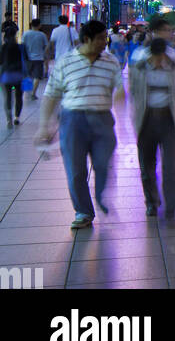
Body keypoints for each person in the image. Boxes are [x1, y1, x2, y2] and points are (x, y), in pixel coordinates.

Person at [34, 19, 124, 230]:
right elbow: (51, 95)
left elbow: (119, 88)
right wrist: (43, 126)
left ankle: (100, 196)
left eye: (105, 37)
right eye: (101, 38)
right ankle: (83, 211)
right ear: (87, 39)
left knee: (103, 165)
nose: (105, 42)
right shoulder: (66, 62)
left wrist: (123, 108)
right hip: (73, 120)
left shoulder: (110, 61)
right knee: (76, 170)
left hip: (102, 119)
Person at [129, 37, 175, 219]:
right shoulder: (139, 70)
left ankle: (171, 207)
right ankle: (151, 202)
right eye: (157, 57)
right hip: (147, 121)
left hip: (169, 121)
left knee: (170, 167)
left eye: (163, 57)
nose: (160, 61)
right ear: (150, 55)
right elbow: (134, 95)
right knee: (147, 167)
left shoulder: (173, 69)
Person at [1, 29, 25, 126]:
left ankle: (8, 119)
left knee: (8, 97)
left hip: (6, 75)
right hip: (18, 75)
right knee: (18, 96)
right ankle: (17, 117)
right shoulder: (20, 47)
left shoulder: (3, 47)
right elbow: (25, 60)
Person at [21, 19, 49, 100]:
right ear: (39, 25)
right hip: (39, 59)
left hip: (28, 58)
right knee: (37, 77)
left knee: (28, 76)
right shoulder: (42, 35)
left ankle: (26, 92)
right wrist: (45, 55)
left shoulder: (25, 34)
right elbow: (46, 47)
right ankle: (33, 94)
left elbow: (23, 45)